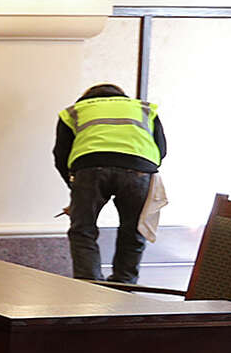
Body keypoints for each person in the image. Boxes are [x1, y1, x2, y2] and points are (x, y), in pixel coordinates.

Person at [54, 83, 166, 284]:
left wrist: (75, 187)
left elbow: (60, 155)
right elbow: (161, 148)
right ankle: (124, 284)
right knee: (134, 230)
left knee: (83, 230)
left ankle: (90, 284)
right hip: (139, 169)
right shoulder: (143, 109)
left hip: (90, 168)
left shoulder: (74, 111)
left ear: (86, 97)